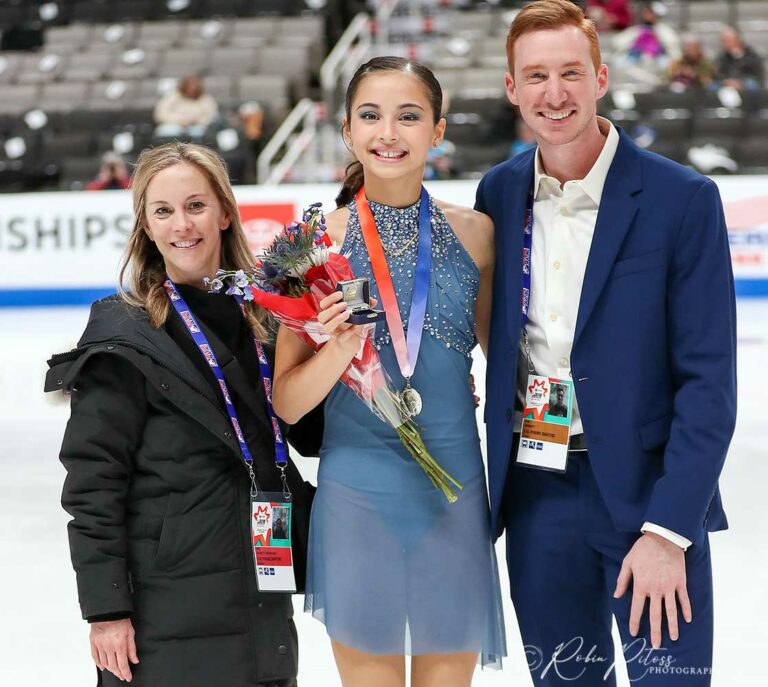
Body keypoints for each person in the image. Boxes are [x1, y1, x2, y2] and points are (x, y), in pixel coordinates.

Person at [475, 1, 736, 684]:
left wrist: (668, 531)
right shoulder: (498, 193)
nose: (554, 93)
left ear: (600, 78)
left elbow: (708, 382)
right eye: (536, 76)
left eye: (570, 72)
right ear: (512, 88)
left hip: (650, 499)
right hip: (538, 493)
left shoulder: (682, 198)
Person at [45, 142, 319, 687]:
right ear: (146, 226)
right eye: (163, 211)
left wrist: (336, 347)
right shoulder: (125, 334)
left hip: (262, 604)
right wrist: (106, 610)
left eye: (196, 206)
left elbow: (311, 433)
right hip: (162, 616)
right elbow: (93, 483)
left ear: (225, 213)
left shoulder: (268, 319)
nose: (182, 225)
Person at [272, 56, 506, 686]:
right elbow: (288, 403)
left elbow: (505, 360)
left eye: (409, 116)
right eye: (371, 116)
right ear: (347, 130)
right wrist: (337, 350)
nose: (389, 132)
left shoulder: (478, 235)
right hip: (357, 493)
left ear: (437, 129)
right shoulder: (312, 247)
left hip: (453, 487)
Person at [612, 1, 681, 85]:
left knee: (667, 65)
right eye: (646, 12)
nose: (648, 15)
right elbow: (617, 42)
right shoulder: (636, 30)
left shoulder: (665, 31)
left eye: (650, 13)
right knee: (619, 63)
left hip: (658, 59)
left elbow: (674, 49)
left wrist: (658, 40)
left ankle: (658, 84)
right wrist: (636, 41)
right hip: (636, 59)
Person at [153, 76, 219, 139]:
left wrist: (195, 120)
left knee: (200, 132)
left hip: (197, 127)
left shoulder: (206, 100)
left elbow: (211, 116)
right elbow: (160, 114)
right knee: (166, 131)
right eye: (189, 86)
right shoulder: (171, 97)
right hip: (174, 125)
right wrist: (179, 120)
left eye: (195, 87)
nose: (192, 89)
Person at [713, 26, 765, 92]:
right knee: (713, 86)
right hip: (727, 83)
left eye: (728, 40)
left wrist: (740, 82)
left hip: (746, 82)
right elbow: (719, 73)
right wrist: (727, 81)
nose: (726, 44)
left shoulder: (751, 55)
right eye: (724, 41)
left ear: (737, 40)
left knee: (751, 85)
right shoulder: (722, 57)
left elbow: (757, 74)